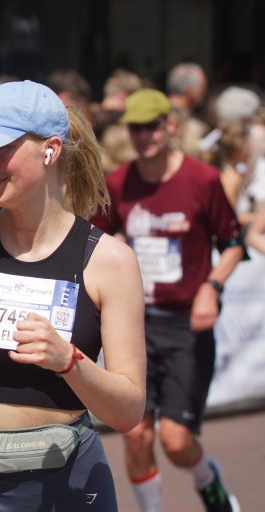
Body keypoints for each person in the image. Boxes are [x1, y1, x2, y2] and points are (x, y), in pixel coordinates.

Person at [0, 80, 146, 511]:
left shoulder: (110, 261)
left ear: (50, 150)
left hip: (72, 484)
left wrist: (69, 362)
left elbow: (128, 411)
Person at [91, 88, 244, 512]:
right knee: (135, 432)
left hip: (185, 325)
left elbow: (233, 243)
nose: (144, 137)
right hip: (135, 325)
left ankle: (208, 480)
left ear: (170, 126)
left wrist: (211, 289)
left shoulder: (202, 180)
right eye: (135, 129)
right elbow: (95, 241)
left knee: (176, 440)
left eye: (151, 127)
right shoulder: (119, 184)